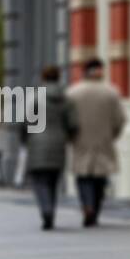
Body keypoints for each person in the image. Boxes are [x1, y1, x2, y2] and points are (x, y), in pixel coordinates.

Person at [65, 57, 127, 227]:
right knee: (100, 179)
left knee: (83, 177)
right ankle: (95, 208)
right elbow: (120, 119)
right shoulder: (111, 92)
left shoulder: (73, 93)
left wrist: (71, 137)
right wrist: (112, 134)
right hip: (103, 141)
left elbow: (67, 119)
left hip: (81, 141)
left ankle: (87, 205)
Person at [22, 66, 79, 231]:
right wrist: (67, 137)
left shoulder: (34, 98)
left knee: (40, 181)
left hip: (37, 142)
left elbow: (25, 122)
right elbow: (73, 124)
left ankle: (46, 210)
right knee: (53, 181)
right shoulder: (66, 99)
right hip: (58, 143)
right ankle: (51, 211)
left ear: (43, 78)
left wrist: (25, 139)